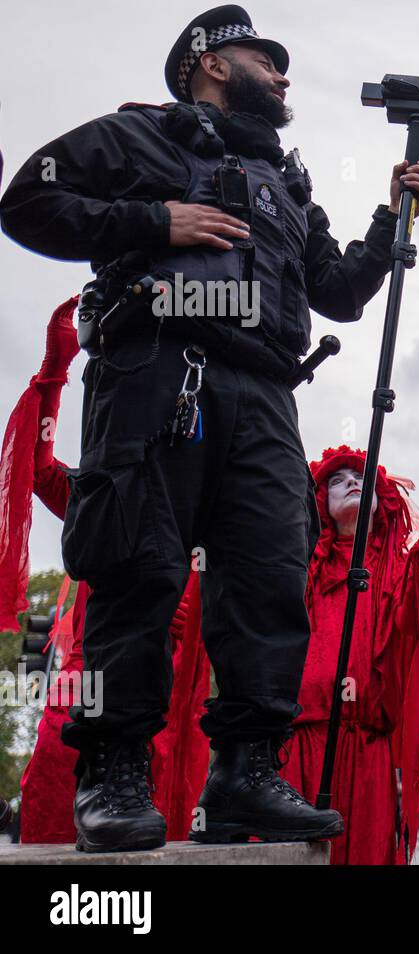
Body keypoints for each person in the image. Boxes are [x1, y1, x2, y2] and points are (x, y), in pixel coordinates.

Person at [0, 5, 419, 853]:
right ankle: (114, 773)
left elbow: (338, 291)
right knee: (137, 572)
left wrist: (392, 220)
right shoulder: (143, 136)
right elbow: (28, 201)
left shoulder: (286, 184)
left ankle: (246, 774)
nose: (280, 74)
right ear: (208, 63)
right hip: (158, 368)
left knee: (272, 575)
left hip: (268, 392)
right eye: (262, 58)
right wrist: (155, 222)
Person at [0, 298, 209, 846]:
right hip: (81, 697)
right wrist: (55, 373)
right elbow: (40, 469)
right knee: (50, 835)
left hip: (167, 717)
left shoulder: (217, 509)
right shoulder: (106, 495)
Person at [258, 448, 419, 862]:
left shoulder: (401, 569)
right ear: (320, 502)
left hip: (369, 747)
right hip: (300, 742)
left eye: (362, 476)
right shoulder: (299, 567)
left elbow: (417, 626)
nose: (353, 481)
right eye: (338, 479)